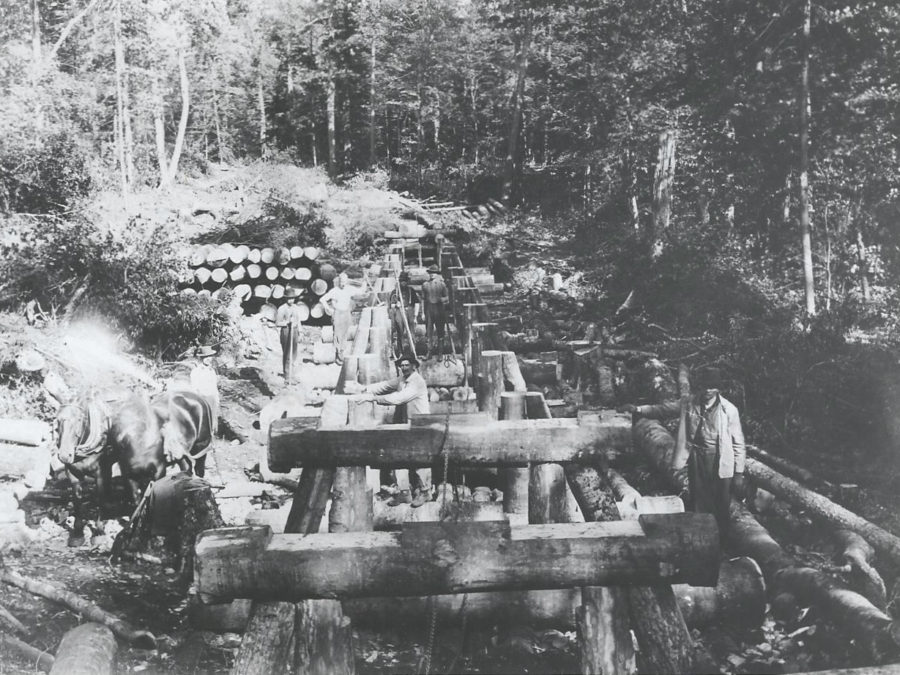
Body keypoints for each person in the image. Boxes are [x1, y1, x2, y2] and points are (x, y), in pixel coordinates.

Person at [619, 368, 745, 533]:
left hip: (719, 460)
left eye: (712, 387)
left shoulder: (729, 410)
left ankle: (724, 541)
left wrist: (738, 474)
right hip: (696, 457)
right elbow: (664, 409)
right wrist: (638, 410)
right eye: (705, 386)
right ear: (700, 387)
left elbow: (738, 443)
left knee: (721, 503)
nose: (708, 390)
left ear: (718, 389)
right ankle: (703, 538)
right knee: (698, 500)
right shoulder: (689, 403)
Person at [364, 353, 430, 507]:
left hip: (419, 425)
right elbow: (385, 385)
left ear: (414, 366)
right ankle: (404, 492)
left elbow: (399, 398)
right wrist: (364, 388)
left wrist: (373, 399)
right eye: (402, 365)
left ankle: (425, 491)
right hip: (404, 424)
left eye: (407, 365)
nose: (404, 367)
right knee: (400, 457)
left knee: (420, 459)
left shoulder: (417, 382)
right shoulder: (402, 380)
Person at [320, 272, 370, 365]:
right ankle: (338, 355)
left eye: (344, 281)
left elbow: (361, 291)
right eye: (341, 281)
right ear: (339, 281)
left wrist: (365, 282)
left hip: (346, 313)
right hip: (338, 314)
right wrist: (328, 309)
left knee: (345, 334)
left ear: (347, 281)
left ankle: (341, 352)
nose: (342, 283)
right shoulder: (334, 290)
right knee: (337, 334)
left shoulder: (349, 289)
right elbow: (322, 299)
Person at [275, 287, 305, 382]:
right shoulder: (282, 309)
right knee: (287, 354)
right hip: (286, 331)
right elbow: (277, 323)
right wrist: (287, 322)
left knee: (294, 354)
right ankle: (287, 376)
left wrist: (300, 331)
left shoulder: (295, 308)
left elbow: (298, 320)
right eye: (289, 298)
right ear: (286, 298)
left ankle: (292, 374)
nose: (291, 300)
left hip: (294, 331)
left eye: (292, 298)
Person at [420, 265, 449, 357]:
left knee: (440, 331)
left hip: (439, 309)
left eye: (434, 273)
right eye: (431, 273)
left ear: (437, 274)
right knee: (429, 332)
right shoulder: (425, 285)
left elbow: (447, 297)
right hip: (429, 309)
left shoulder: (442, 284)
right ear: (429, 274)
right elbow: (422, 299)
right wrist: (422, 313)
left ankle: (440, 352)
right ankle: (429, 352)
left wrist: (442, 300)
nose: (432, 275)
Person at [388, 271, 419, 357]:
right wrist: (396, 305)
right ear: (399, 282)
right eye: (402, 281)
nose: (403, 283)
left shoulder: (411, 290)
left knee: (411, 333)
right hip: (399, 312)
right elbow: (392, 305)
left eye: (405, 281)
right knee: (400, 332)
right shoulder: (395, 292)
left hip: (410, 311)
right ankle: (401, 352)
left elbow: (417, 303)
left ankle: (413, 351)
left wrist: (415, 316)